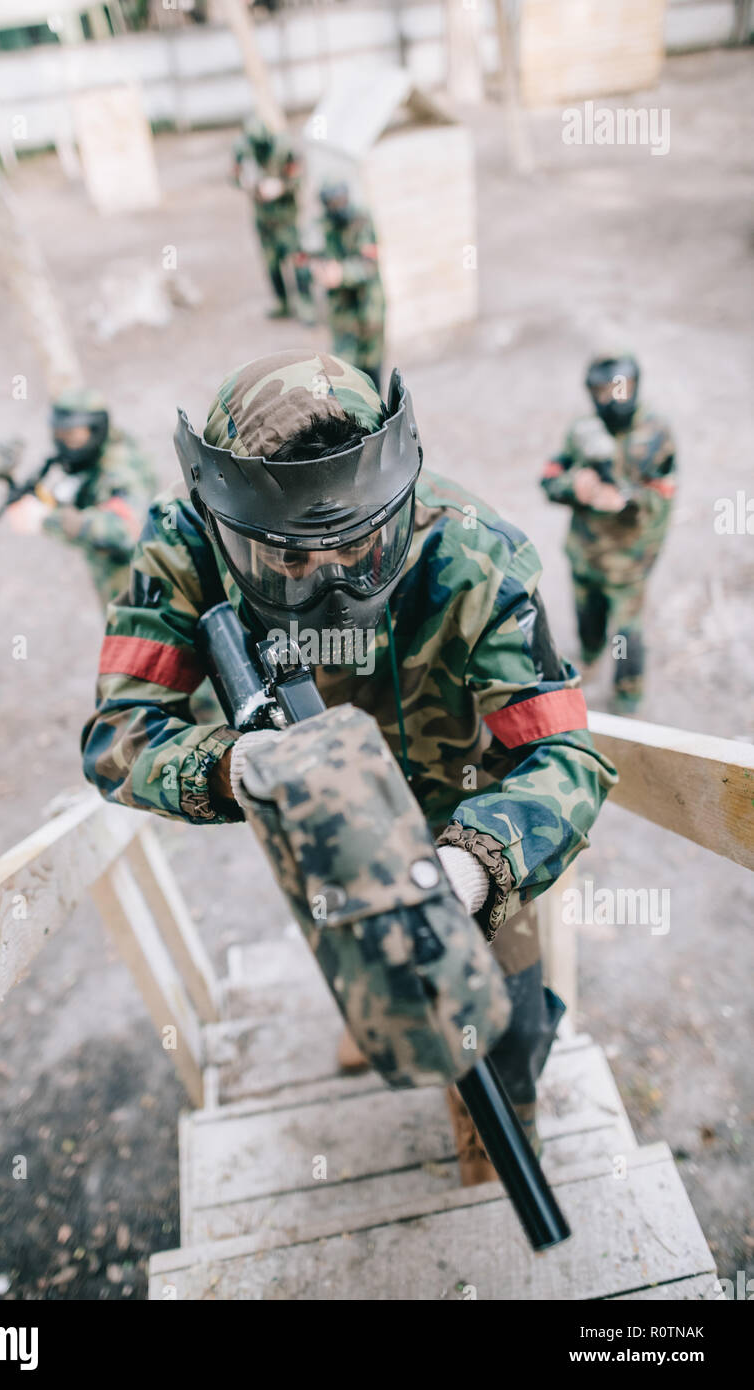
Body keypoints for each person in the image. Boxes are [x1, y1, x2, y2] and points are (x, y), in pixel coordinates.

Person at [81, 349, 617, 1173]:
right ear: (224, 521)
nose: (332, 583)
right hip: (317, 813)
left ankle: (487, 1166)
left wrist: (476, 867)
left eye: (360, 546)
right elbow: (119, 734)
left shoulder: (469, 551)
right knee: (362, 951)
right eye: (290, 560)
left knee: (504, 1030)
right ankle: (366, 1022)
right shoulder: (185, 548)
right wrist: (230, 768)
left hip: (461, 807)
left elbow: (560, 752)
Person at [541, 351, 677, 713]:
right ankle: (590, 659)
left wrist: (627, 499)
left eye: (621, 388)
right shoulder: (583, 431)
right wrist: (576, 486)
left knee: (628, 638)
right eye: (603, 391)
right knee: (588, 621)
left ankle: (627, 701)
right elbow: (549, 478)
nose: (614, 398)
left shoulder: (656, 433)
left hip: (629, 564)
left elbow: (664, 494)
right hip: (585, 556)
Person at [6, 387, 157, 610]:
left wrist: (46, 520)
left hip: (144, 599)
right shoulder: (96, 454)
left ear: (97, 428)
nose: (65, 443)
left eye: (74, 435)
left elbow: (124, 529)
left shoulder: (120, 468)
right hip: (119, 591)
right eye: (60, 434)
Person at [231, 117, 314, 322]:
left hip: (286, 216)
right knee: (271, 262)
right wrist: (244, 182)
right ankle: (282, 302)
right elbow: (234, 175)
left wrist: (281, 187)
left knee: (298, 258)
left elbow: (299, 175)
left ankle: (306, 304)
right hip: (263, 216)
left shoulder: (284, 148)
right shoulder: (243, 149)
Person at [313, 182, 385, 392]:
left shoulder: (362, 219)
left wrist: (341, 274)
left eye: (341, 200)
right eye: (333, 203)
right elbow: (306, 257)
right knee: (343, 373)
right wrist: (317, 269)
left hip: (369, 307)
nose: (338, 207)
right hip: (342, 312)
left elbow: (369, 264)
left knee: (372, 368)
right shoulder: (321, 226)